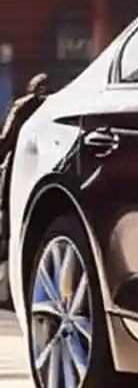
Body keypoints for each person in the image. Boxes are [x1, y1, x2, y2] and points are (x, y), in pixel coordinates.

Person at [0, 74, 51, 267]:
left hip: (18, 179)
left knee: (13, 240)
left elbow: (5, 143)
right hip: (49, 180)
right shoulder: (62, 108)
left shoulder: (24, 107)